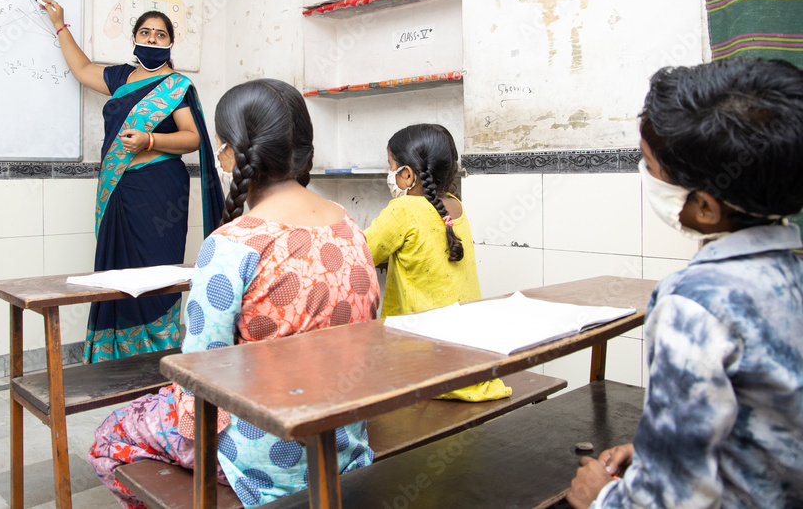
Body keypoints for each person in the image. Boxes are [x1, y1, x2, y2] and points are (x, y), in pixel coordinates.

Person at [88, 79, 382, 508]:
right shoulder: (349, 227)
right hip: (343, 441)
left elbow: (199, 376)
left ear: (228, 153)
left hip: (266, 459)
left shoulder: (233, 244)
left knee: (111, 437)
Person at [567, 57, 803, 508]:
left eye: (652, 167)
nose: (646, 175)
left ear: (707, 208)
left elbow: (673, 501)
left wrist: (604, 498)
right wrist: (661, 450)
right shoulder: (790, 276)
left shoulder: (691, 305)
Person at [41, 0, 224, 363]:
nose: (152, 40)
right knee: (116, 272)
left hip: (160, 194)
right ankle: (117, 357)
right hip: (119, 191)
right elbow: (80, 68)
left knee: (156, 272)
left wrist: (150, 140)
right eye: (145, 33)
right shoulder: (121, 78)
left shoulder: (177, 86)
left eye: (160, 35)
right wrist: (60, 25)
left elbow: (192, 138)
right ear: (134, 39)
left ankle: (160, 353)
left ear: (170, 43)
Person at [364, 123, 510, 402]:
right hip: (468, 359)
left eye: (390, 166)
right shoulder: (455, 206)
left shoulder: (404, 209)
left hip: (425, 365)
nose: (389, 174)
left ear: (407, 175)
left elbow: (358, 254)